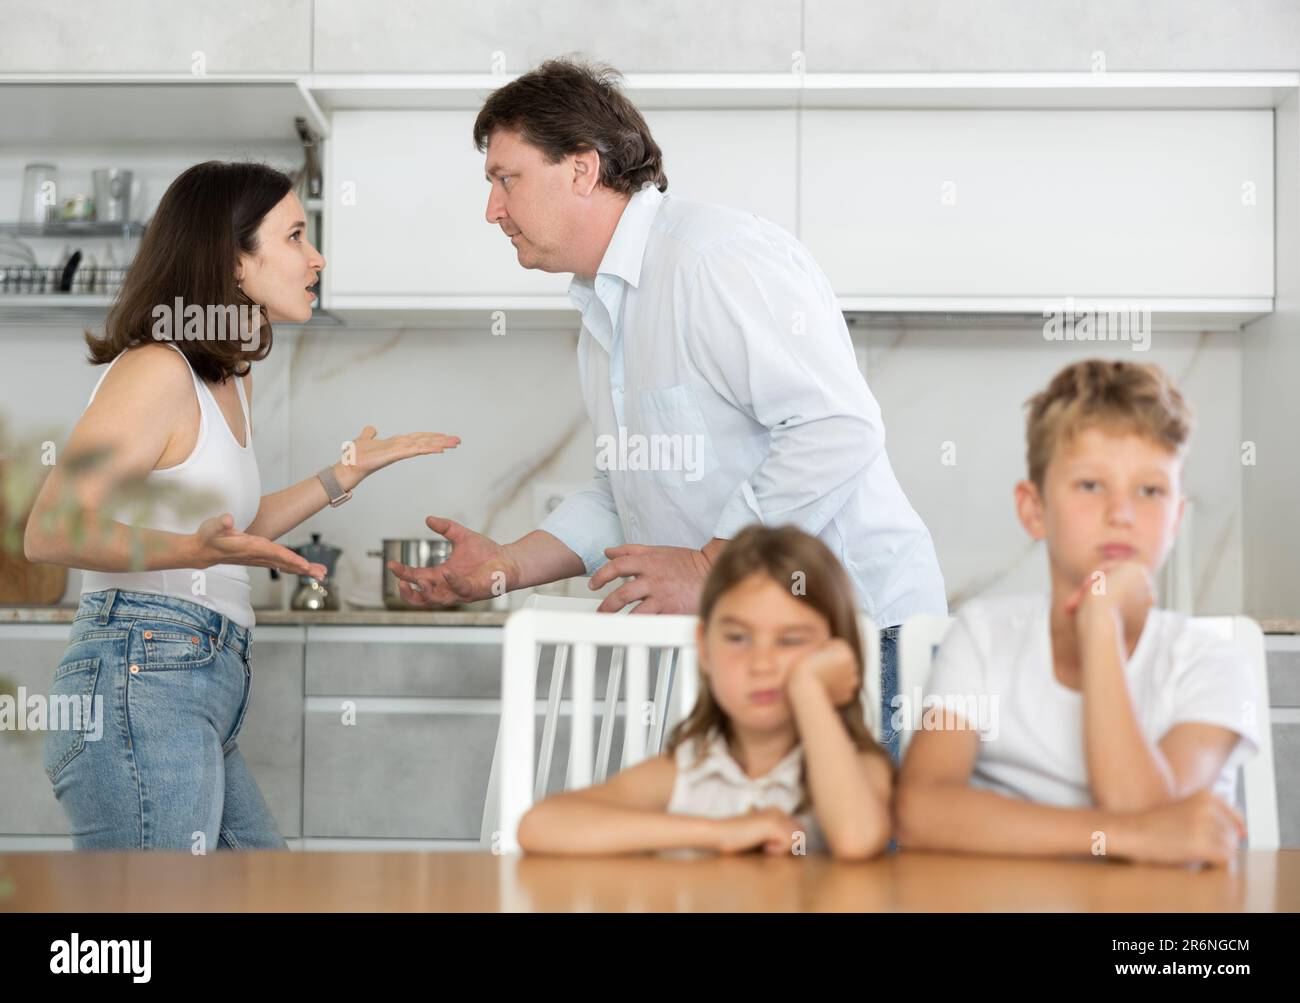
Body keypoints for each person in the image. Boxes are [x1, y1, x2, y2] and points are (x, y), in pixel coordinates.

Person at [391, 58, 946, 759]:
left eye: (508, 178)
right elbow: (628, 488)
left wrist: (711, 560)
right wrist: (505, 563)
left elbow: (836, 427)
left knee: (861, 868)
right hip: (758, 649)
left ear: (582, 170)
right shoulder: (604, 306)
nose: (493, 210)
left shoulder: (714, 259)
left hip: (863, 639)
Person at [24, 161, 459, 850]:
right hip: (138, 672)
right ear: (233, 263)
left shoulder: (227, 378)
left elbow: (231, 535)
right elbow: (50, 530)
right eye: (294, 237)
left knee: (263, 889)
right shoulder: (156, 369)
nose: (316, 257)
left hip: (196, 678)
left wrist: (339, 476)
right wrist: (194, 550)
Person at [896, 359, 1258, 865]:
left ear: (1176, 518)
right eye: (1091, 485)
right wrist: (1128, 836)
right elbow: (919, 811)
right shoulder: (983, 637)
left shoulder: (1210, 663)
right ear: (1034, 509)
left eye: (1150, 491)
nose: (1122, 514)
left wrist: (1099, 626)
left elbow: (1148, 819)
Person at [517, 524, 893, 860]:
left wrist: (810, 691)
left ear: (835, 655)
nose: (761, 663)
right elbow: (541, 826)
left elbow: (855, 839)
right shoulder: (688, 773)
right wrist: (722, 833)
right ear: (706, 649)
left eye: (790, 640)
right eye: (737, 637)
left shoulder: (861, 768)